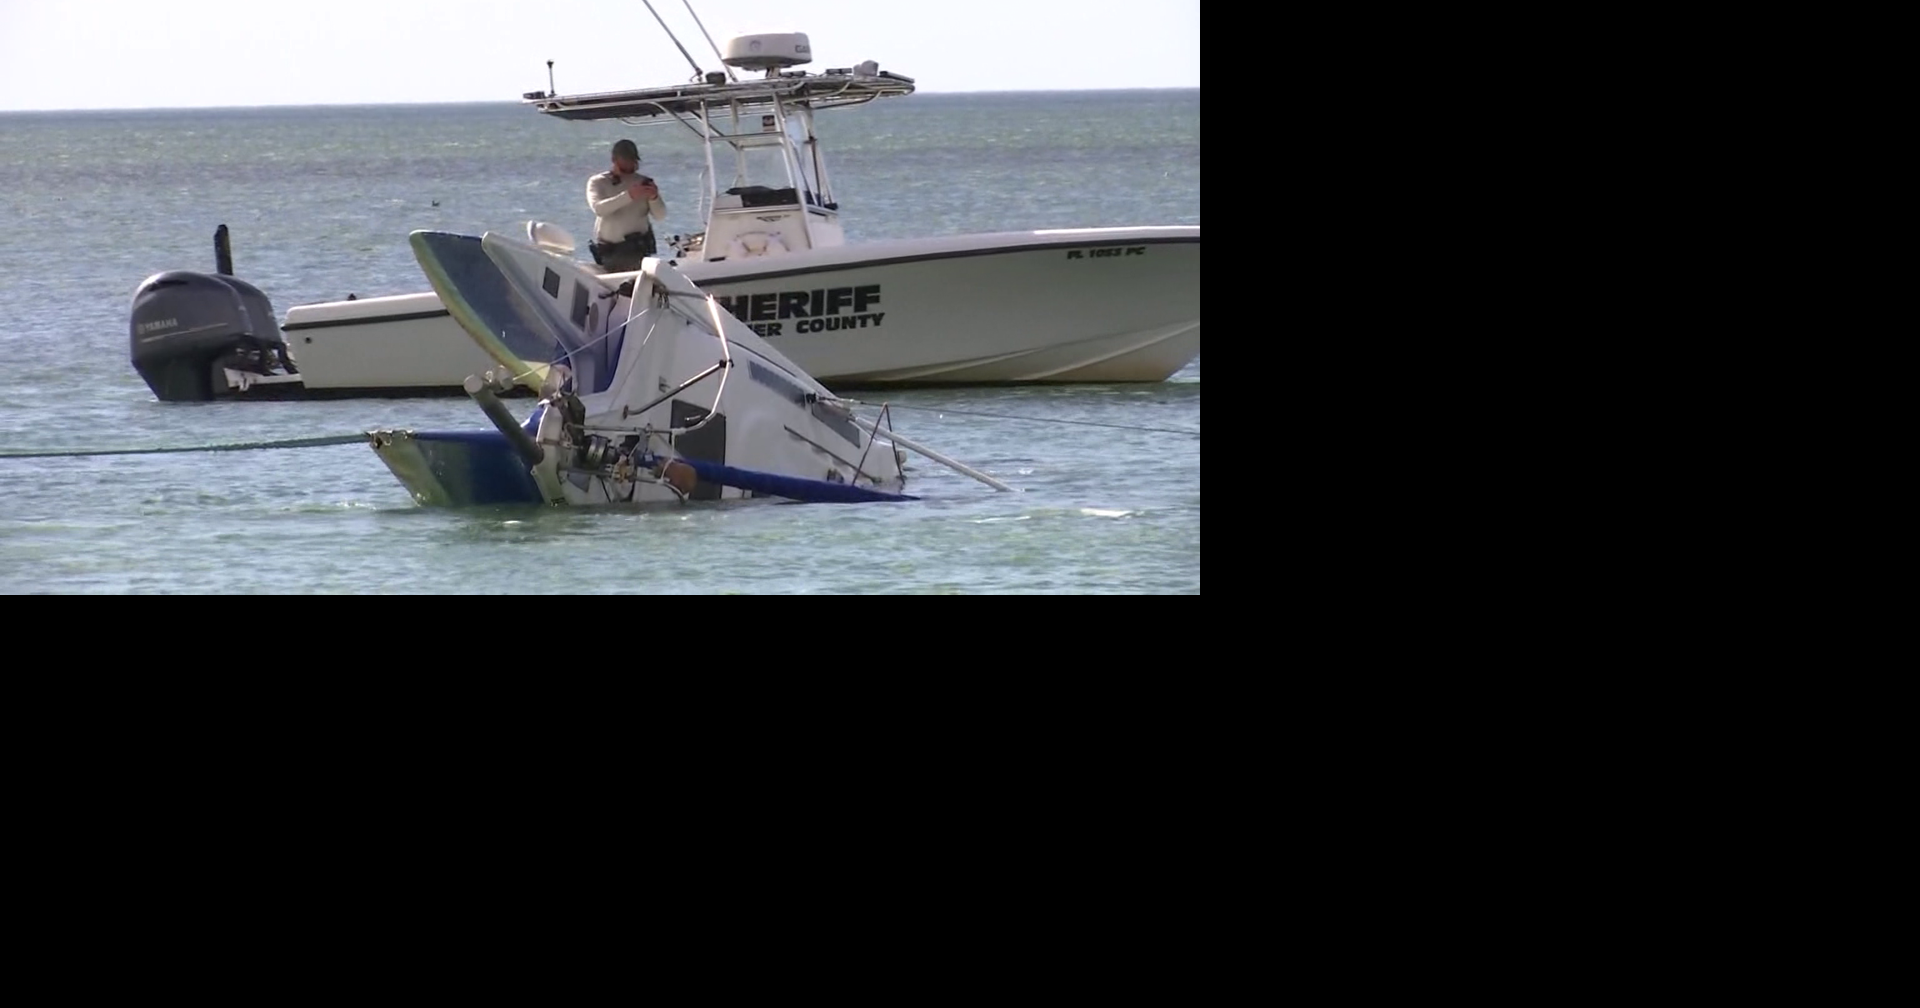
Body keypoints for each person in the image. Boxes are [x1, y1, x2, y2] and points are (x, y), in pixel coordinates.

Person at [586, 138, 667, 272]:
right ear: (614, 160)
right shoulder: (598, 182)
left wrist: (654, 197)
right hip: (612, 251)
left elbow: (660, 215)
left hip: (638, 249)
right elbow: (599, 209)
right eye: (625, 160)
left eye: (632, 160)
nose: (630, 163)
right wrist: (629, 195)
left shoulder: (643, 182)